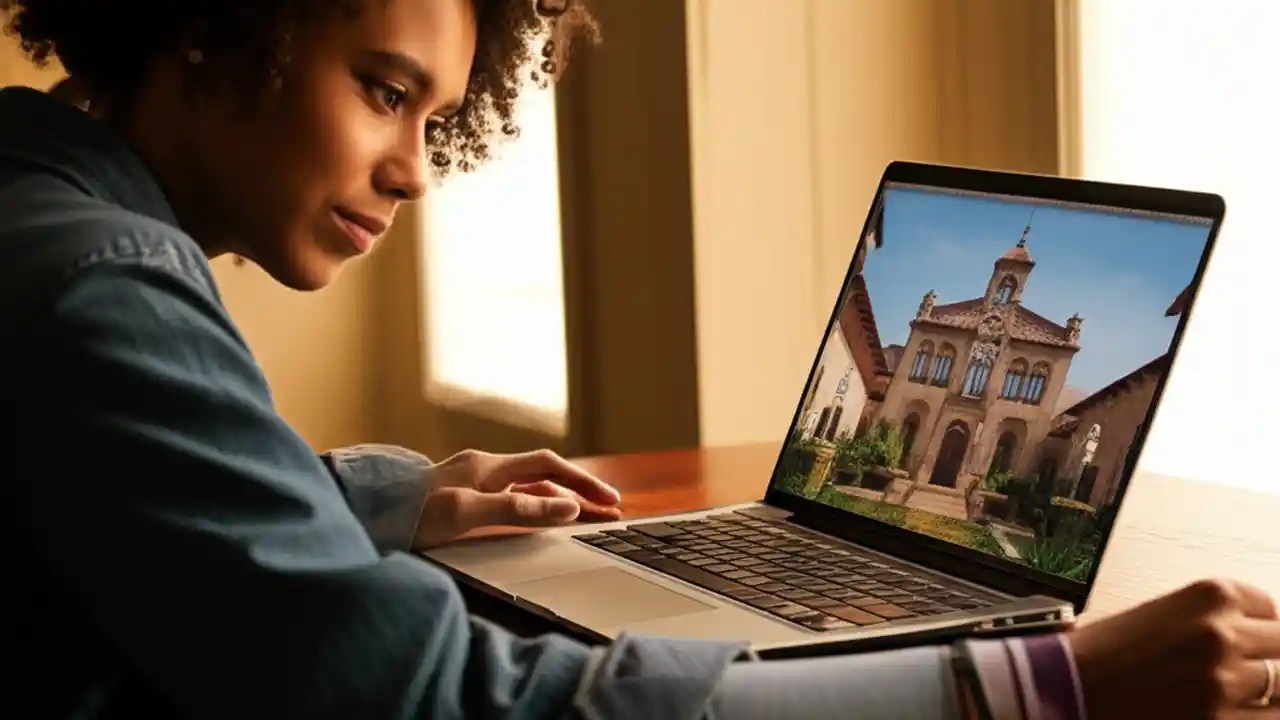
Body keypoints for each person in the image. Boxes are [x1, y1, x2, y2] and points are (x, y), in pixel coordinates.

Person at [1, 1, 1277, 718]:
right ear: (212, 26)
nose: (410, 171)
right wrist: (1041, 683)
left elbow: (105, 497)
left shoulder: (37, 206)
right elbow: (444, 701)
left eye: (437, 118)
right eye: (383, 91)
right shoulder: (108, 293)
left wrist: (379, 497)